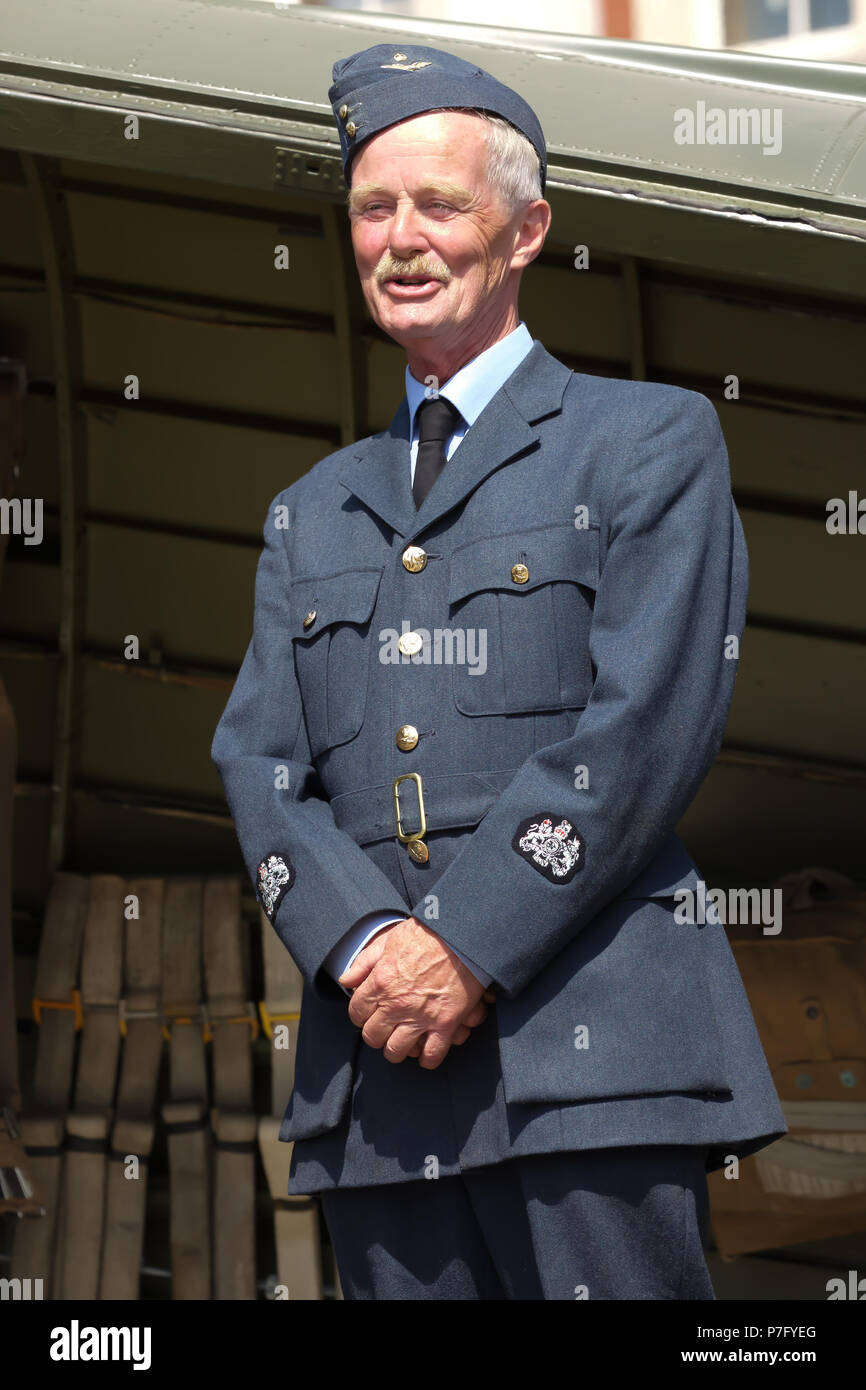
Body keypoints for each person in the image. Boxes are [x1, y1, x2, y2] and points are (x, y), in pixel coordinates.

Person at [211, 42, 786, 1300]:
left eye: (438, 205)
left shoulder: (646, 442)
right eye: (372, 208)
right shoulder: (309, 509)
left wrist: (460, 944)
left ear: (525, 231)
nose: (400, 239)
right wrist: (367, 941)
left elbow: (646, 729)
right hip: (379, 1091)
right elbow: (257, 765)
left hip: (590, 1074)